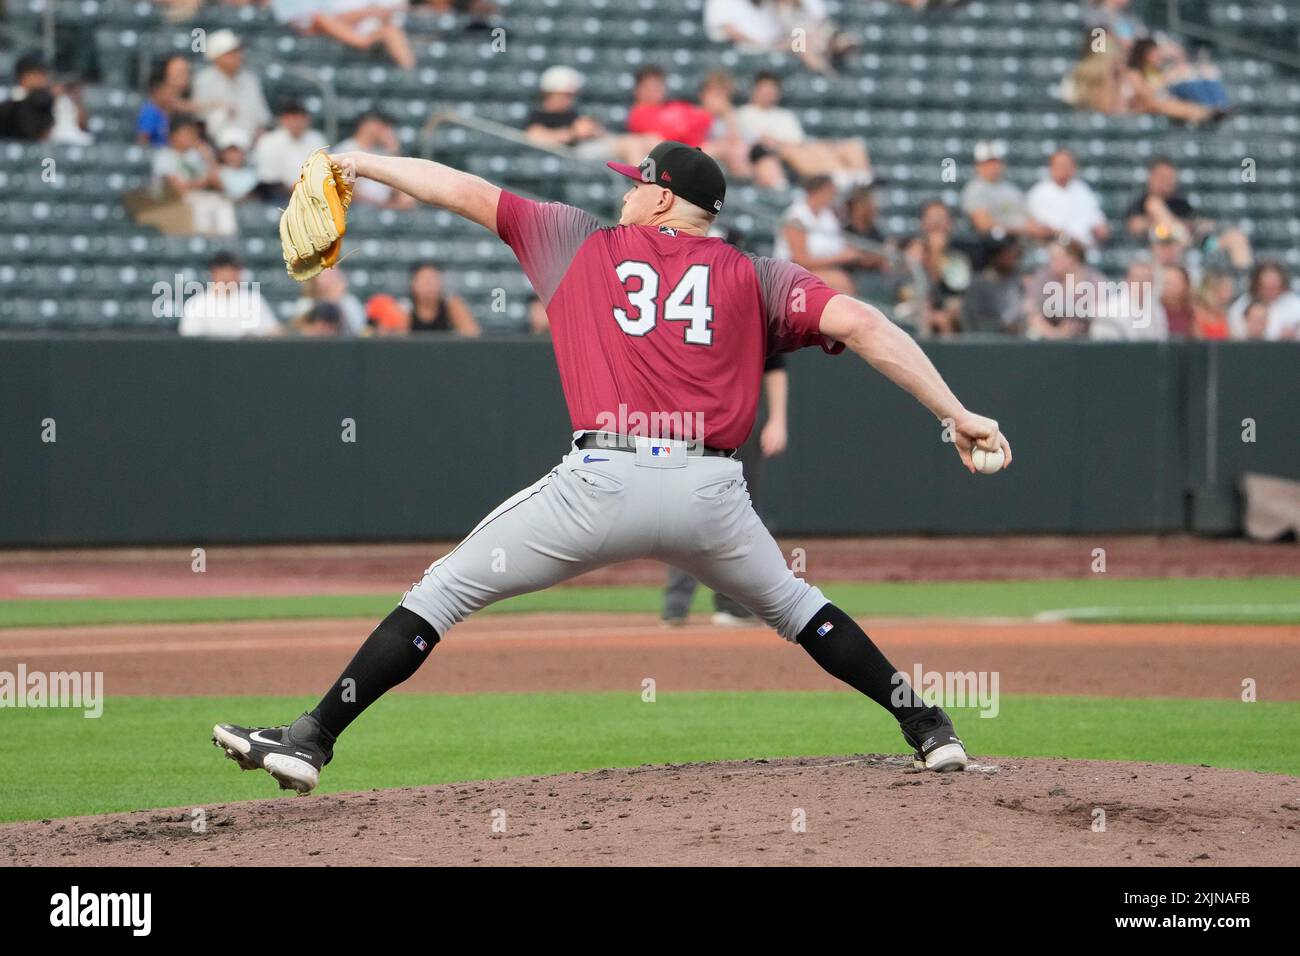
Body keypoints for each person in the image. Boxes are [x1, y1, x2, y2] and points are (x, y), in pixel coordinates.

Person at [212, 139, 1013, 792]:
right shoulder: (759, 275)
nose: (625, 193)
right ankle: (929, 728)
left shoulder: (577, 239)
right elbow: (865, 323)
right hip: (712, 494)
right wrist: (957, 413)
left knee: (444, 591)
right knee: (801, 611)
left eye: (636, 184)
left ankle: (312, 739)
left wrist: (360, 161)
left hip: (602, 481)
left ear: (662, 197)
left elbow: (459, 189)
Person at [662, 354, 789, 627]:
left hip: (738, 420)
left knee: (740, 511)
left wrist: (777, 420)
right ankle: (676, 605)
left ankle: (733, 605)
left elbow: (775, 365)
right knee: (688, 509)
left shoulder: (754, 315)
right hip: (691, 420)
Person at [734, 71, 870, 186]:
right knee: (794, 151)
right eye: (765, 90)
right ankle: (838, 179)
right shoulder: (745, 113)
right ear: (755, 90)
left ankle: (861, 179)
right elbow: (762, 140)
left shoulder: (785, 115)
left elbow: (800, 140)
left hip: (797, 147)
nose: (769, 94)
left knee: (850, 146)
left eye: (772, 90)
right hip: (774, 154)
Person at [1123, 157, 1252, 272]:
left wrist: (1187, 226)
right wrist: (1163, 224)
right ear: (1152, 177)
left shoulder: (1180, 203)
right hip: (1159, 250)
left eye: (1170, 178)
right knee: (1154, 205)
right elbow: (1135, 227)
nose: (1167, 182)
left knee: (1236, 237)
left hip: (1197, 245)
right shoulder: (1142, 202)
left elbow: (1202, 224)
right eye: (1163, 177)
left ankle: (1243, 279)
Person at [773, 175, 870, 294]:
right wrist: (841, 257)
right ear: (819, 191)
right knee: (840, 282)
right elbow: (800, 260)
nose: (833, 196)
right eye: (831, 192)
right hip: (793, 273)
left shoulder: (828, 215)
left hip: (827, 268)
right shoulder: (796, 217)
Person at [151, 115, 237, 236]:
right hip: (171, 204)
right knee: (199, 206)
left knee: (223, 204)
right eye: (186, 133)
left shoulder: (195, 155)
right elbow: (178, 187)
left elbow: (221, 184)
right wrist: (206, 181)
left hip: (199, 198)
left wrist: (209, 158)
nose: (191, 137)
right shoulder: (164, 156)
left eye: (193, 133)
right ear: (172, 135)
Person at [274, 0, 415, 70]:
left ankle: (411, 74)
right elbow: (303, 19)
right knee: (320, 17)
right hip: (306, 29)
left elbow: (399, 9)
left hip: (357, 29)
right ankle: (363, 42)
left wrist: (373, 12)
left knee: (391, 31)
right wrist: (367, 12)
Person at [192, 30, 272, 144]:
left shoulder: (250, 79)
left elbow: (262, 118)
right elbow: (200, 119)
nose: (238, 56)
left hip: (251, 142)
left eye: (237, 51)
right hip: (216, 143)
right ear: (216, 57)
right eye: (231, 53)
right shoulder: (204, 80)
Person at [180, 251, 280, 336]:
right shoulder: (197, 303)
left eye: (235, 270)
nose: (230, 275)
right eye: (225, 270)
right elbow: (190, 339)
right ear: (214, 272)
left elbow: (273, 331)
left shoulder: (254, 300)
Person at [1025, 149, 1109, 249]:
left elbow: (1098, 221)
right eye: (1059, 165)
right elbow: (1032, 227)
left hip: (1083, 247)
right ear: (1051, 167)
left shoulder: (1082, 189)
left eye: (1067, 165)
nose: (1064, 168)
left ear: (1074, 168)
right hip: (1055, 246)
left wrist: (1101, 229)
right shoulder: (1039, 192)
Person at [335, 111, 416, 209]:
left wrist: (393, 152)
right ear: (368, 125)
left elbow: (402, 191)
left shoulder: (383, 153)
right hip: (356, 212)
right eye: (384, 125)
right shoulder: (346, 150)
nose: (388, 130)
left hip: (382, 210)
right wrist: (388, 206)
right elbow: (348, 193)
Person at [252, 99, 328, 201]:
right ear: (283, 119)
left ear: (308, 119)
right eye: (293, 117)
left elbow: (323, 172)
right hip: (277, 197)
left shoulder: (317, 140)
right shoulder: (268, 141)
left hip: (312, 195)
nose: (297, 122)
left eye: (301, 117)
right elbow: (268, 179)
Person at [960, 236, 1024, 335]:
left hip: (1018, 342)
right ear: (994, 257)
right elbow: (975, 324)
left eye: (1013, 251)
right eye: (1005, 252)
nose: (1012, 255)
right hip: (987, 344)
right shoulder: (978, 285)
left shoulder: (1018, 281)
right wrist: (1004, 325)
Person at [1227, 262, 1300, 341]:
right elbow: (1235, 334)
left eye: (1273, 286)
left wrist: (1293, 335)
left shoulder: (1293, 303)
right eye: (1264, 286)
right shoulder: (1243, 304)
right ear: (1257, 284)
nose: (1269, 291)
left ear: (1282, 284)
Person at [402, 262, 480, 335]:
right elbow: (399, 340)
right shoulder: (405, 308)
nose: (429, 286)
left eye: (433, 280)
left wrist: (456, 307)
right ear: (413, 284)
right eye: (424, 281)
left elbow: (472, 335)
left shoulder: (451, 305)